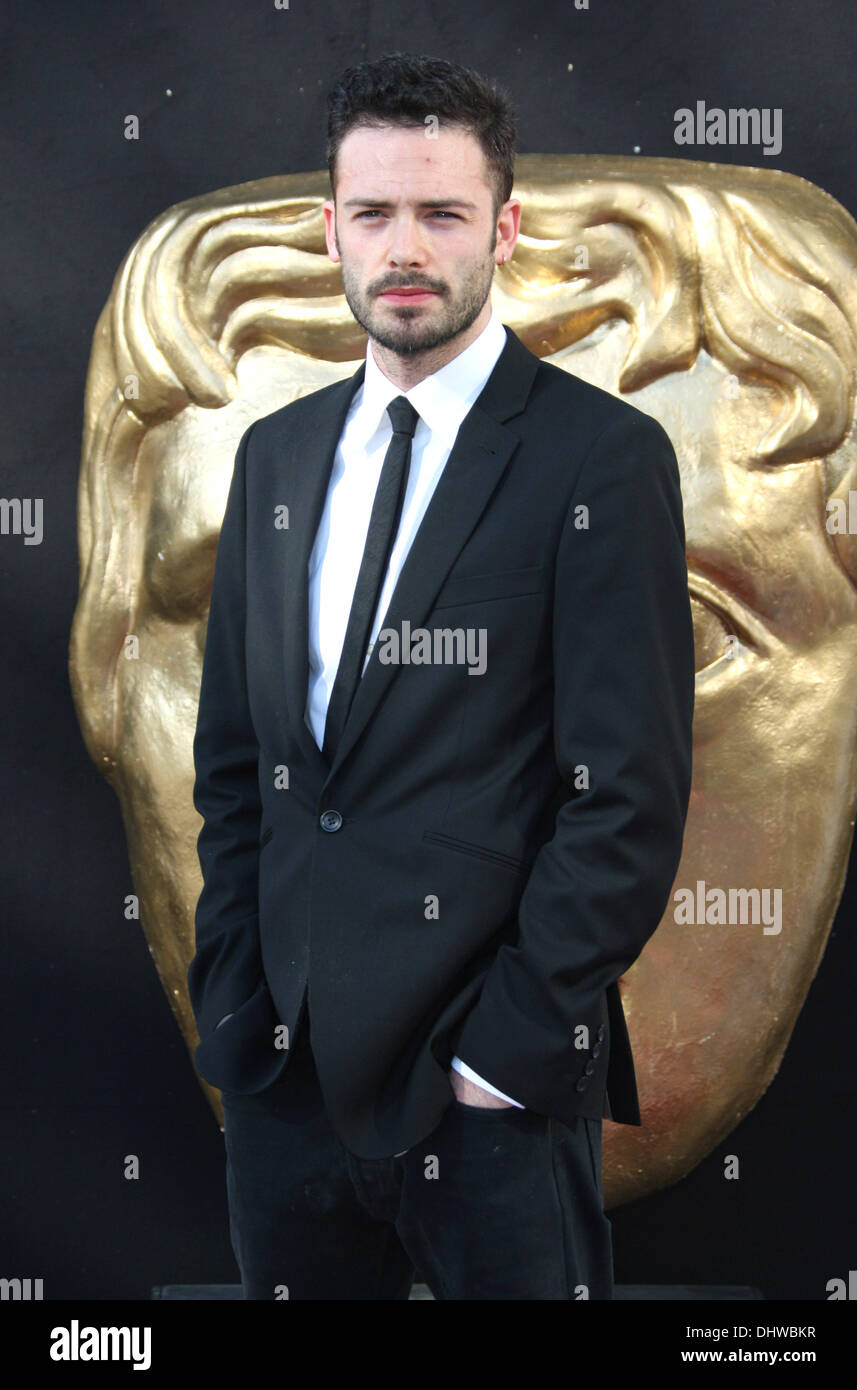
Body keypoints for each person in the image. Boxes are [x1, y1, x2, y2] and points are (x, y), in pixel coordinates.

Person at [188, 51, 694, 1300]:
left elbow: (624, 799)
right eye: (372, 213)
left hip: (489, 1097)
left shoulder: (601, 461)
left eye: (440, 213)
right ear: (330, 230)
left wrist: (505, 1060)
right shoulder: (274, 460)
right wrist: (238, 997)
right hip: (283, 1080)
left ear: (503, 229)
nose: (403, 247)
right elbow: (236, 766)